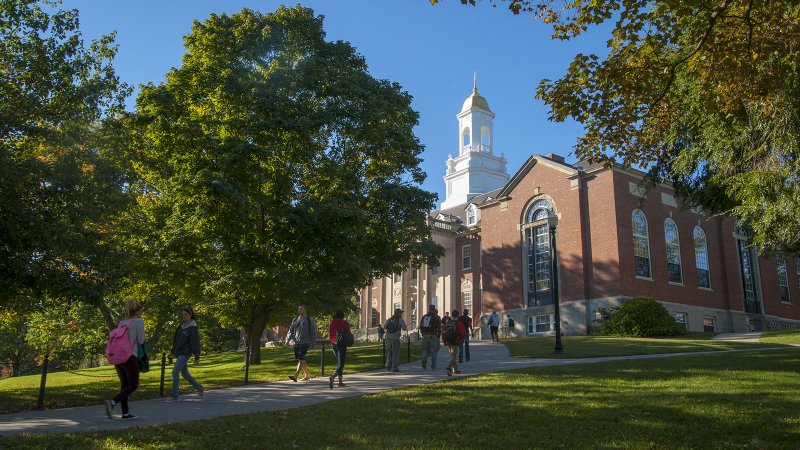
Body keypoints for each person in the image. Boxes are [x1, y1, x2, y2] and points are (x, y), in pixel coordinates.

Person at [105, 300, 145, 420]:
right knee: (133, 385)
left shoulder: (122, 322)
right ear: (138, 311)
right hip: (129, 356)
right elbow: (141, 341)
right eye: (141, 311)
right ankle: (112, 402)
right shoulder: (138, 322)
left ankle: (125, 413)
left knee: (124, 385)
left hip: (118, 357)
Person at [167, 306, 204, 402]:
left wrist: (197, 356)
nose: (183, 316)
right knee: (185, 374)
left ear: (190, 315)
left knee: (175, 372)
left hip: (185, 353)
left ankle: (174, 396)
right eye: (182, 315)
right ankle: (199, 388)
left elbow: (195, 343)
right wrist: (173, 352)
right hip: (179, 353)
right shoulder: (181, 326)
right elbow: (176, 341)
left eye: (185, 315)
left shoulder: (192, 328)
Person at [286, 304, 317, 382]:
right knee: (300, 359)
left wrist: (313, 344)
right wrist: (287, 340)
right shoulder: (295, 319)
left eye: (301, 309)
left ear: (305, 310)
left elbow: (313, 332)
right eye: (299, 309)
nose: (300, 310)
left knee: (301, 358)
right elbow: (291, 330)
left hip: (305, 342)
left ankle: (295, 376)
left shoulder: (309, 319)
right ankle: (307, 375)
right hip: (296, 342)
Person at [328, 309, 351, 389]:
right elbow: (348, 332)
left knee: (339, 364)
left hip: (334, 344)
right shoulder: (344, 322)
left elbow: (330, 334)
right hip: (341, 344)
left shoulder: (332, 323)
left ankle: (340, 382)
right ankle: (333, 377)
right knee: (341, 364)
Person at [442, 309, 466, 376]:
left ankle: (455, 370)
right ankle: (449, 368)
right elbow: (462, 333)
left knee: (452, 356)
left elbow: (443, 332)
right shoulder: (459, 323)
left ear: (452, 315)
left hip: (448, 342)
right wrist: (461, 339)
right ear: (458, 315)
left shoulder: (448, 323)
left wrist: (444, 342)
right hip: (455, 342)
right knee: (453, 357)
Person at [418, 304, 442, 370]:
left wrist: (423, 334)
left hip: (425, 335)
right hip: (433, 335)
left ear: (429, 309)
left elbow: (420, 327)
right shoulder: (437, 317)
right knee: (433, 351)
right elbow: (439, 328)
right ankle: (433, 365)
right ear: (434, 309)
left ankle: (424, 358)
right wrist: (438, 336)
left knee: (425, 349)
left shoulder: (424, 317)